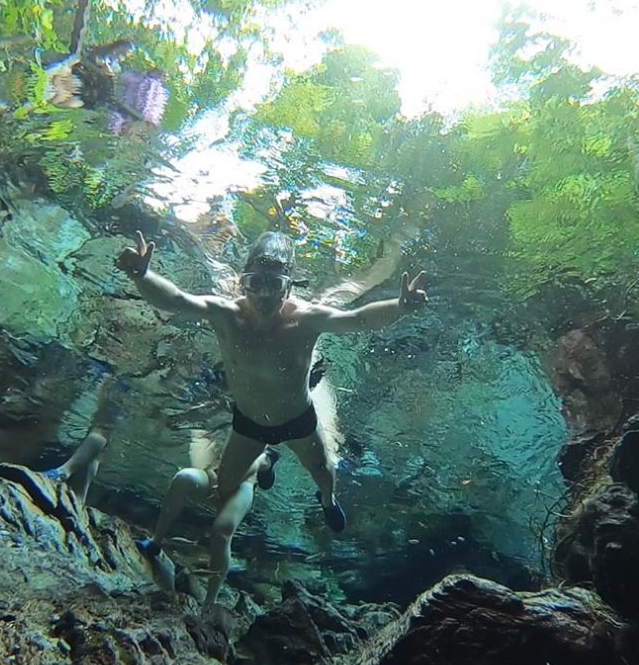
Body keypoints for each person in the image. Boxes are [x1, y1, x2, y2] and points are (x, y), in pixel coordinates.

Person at [115, 229, 429, 533]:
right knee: (224, 488)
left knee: (325, 473)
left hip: (298, 420)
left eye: (274, 284)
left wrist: (400, 307)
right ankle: (264, 462)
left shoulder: (306, 320)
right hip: (249, 423)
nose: (264, 294)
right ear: (243, 284)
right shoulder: (226, 314)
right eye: (255, 283)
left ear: (288, 287)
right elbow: (177, 300)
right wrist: (142, 276)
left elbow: (359, 319)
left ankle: (327, 501)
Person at [136, 447, 280, 605]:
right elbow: (205, 455)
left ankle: (210, 601)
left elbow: (256, 463)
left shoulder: (263, 451)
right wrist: (213, 478)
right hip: (215, 477)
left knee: (222, 531)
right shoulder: (221, 430)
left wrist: (226, 483)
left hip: (242, 486)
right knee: (182, 478)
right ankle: (155, 542)